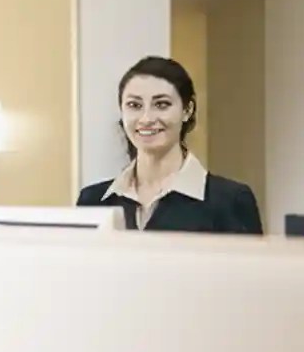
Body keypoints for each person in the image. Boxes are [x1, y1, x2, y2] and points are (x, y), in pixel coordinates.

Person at [76, 56, 262, 234]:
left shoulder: (231, 201)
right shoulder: (92, 201)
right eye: (134, 105)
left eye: (162, 104)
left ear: (187, 110)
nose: (146, 119)